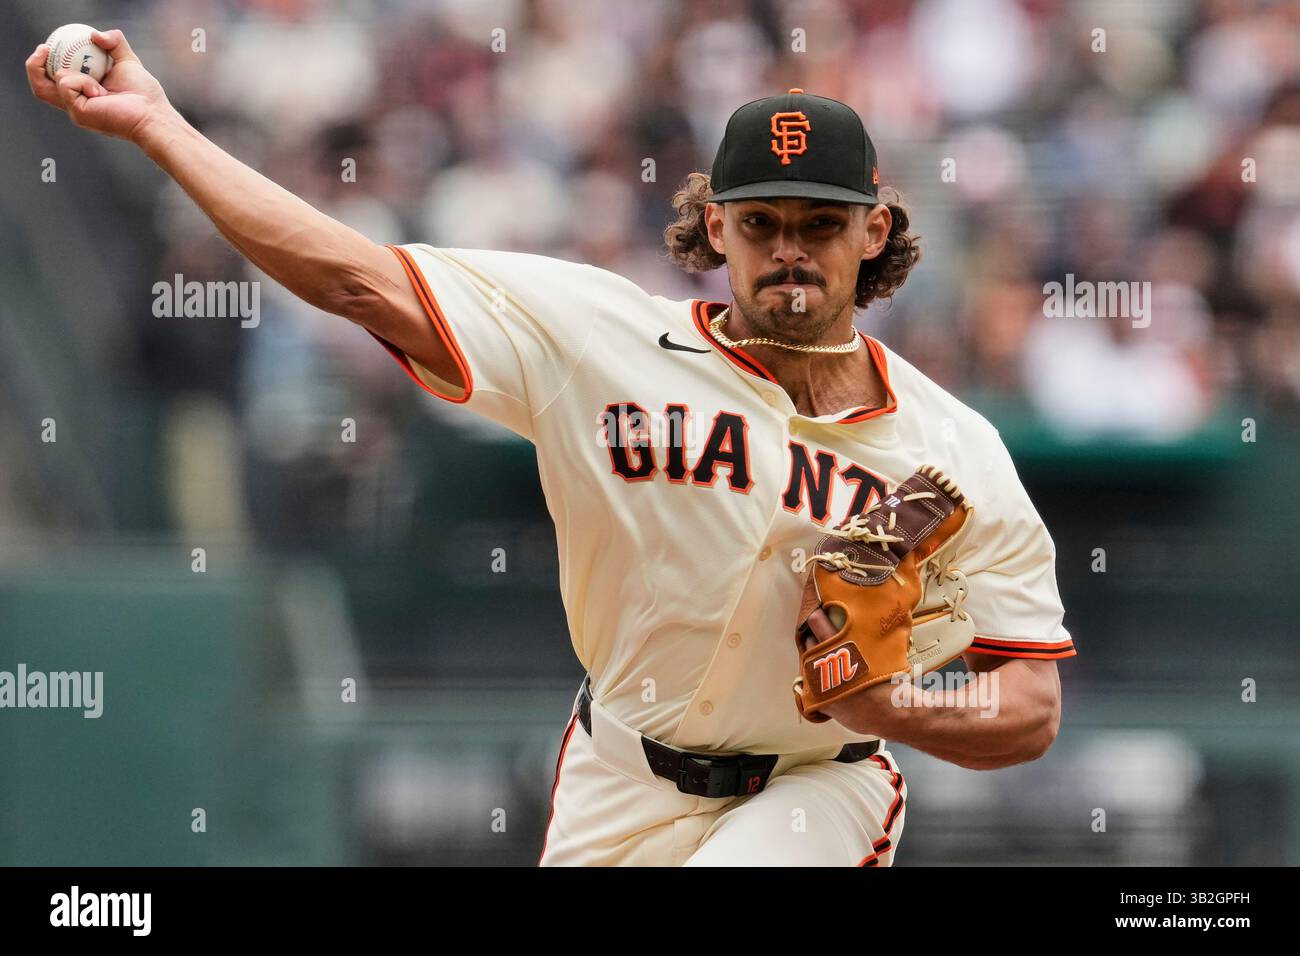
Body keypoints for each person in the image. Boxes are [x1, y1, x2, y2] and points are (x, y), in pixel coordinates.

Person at [28, 31, 1075, 867]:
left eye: (820, 222)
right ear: (715, 227)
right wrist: (162, 126)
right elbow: (354, 277)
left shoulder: (954, 452)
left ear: (876, 231)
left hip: (815, 786)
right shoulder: (598, 338)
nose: (789, 250)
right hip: (614, 771)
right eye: (761, 224)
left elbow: (1026, 705)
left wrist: (890, 701)